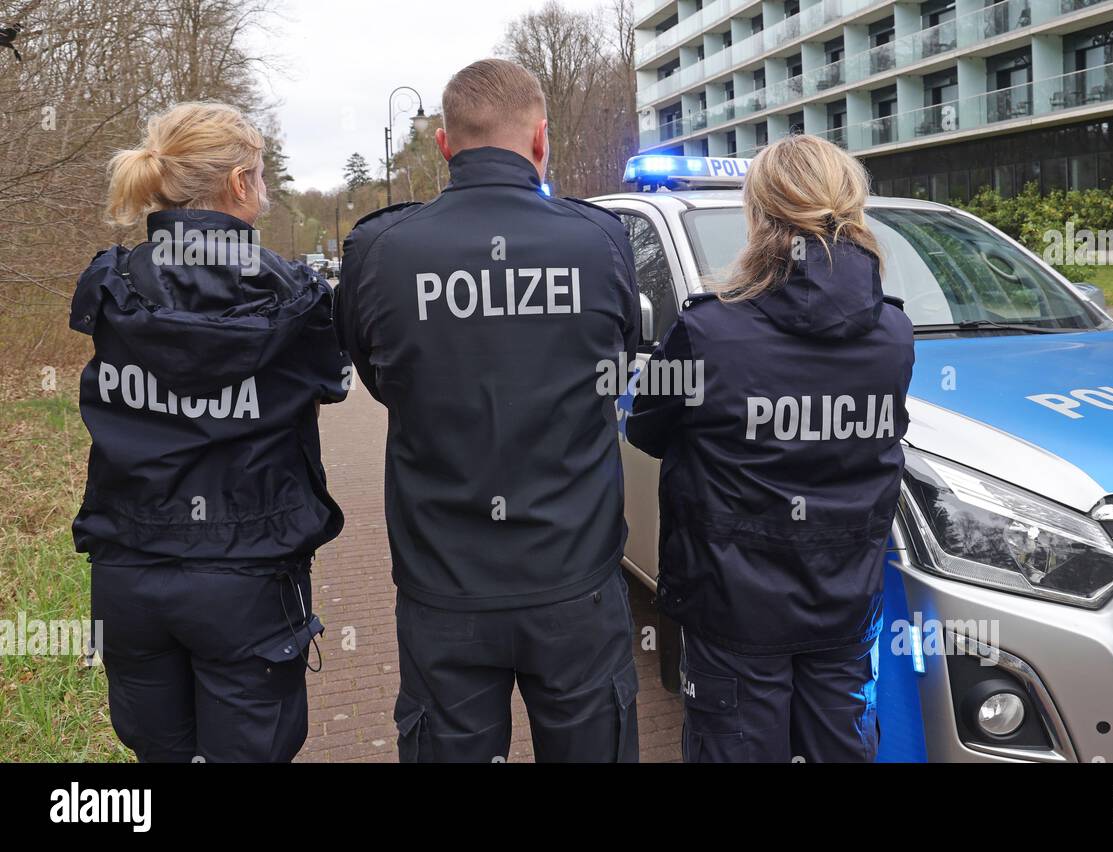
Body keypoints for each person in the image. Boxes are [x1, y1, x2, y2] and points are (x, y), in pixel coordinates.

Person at [334, 59, 641, 763]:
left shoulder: (379, 250)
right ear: (541, 140)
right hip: (575, 583)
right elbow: (616, 363)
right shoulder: (599, 242)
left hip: (444, 585)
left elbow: (380, 378)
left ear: (444, 145)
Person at [72, 102, 349, 762]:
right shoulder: (295, 293)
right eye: (262, 174)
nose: (266, 188)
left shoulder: (110, 285)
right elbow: (331, 383)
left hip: (128, 570)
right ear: (238, 183)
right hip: (246, 577)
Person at [626, 135, 914, 763]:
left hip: (735, 611)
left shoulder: (708, 330)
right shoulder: (893, 332)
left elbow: (643, 428)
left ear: (759, 219)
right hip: (844, 606)